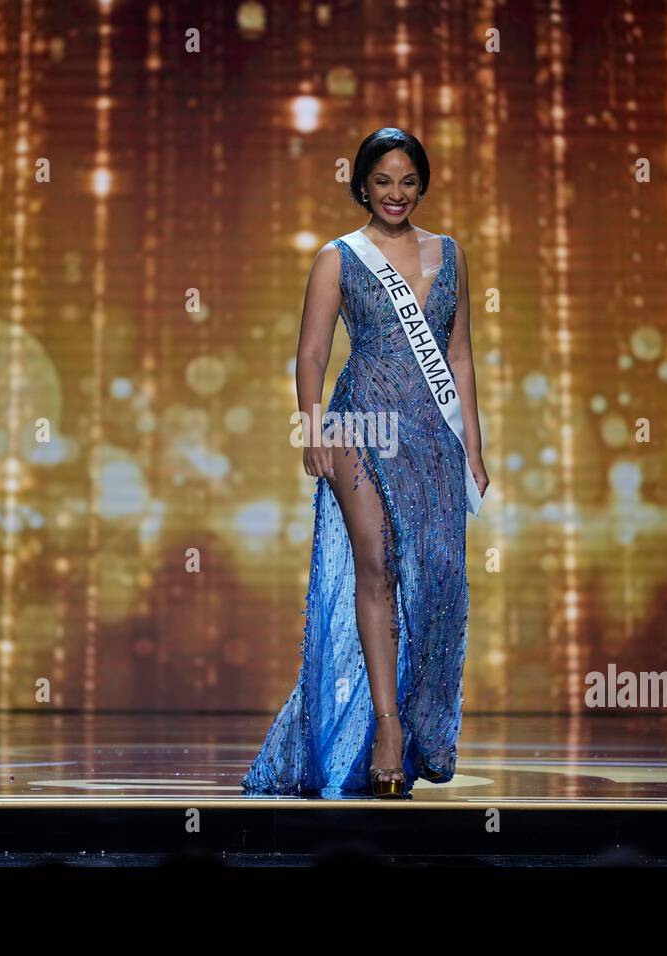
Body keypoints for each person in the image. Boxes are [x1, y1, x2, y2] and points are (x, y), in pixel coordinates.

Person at [241, 127, 488, 798]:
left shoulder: (452, 255)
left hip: (433, 435)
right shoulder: (338, 259)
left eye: (408, 181)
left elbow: (459, 354)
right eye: (383, 182)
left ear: (422, 184)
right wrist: (309, 428)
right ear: (362, 187)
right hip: (360, 423)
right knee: (376, 565)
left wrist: (475, 441)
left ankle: (423, 724)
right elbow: (312, 354)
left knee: (438, 581)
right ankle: (383, 728)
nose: (396, 194)